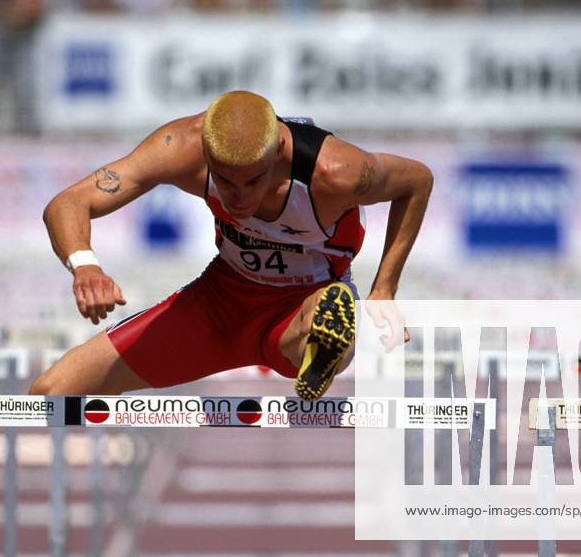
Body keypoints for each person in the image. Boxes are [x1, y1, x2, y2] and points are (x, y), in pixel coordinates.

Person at [31, 90, 432, 399]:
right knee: (50, 393)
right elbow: (69, 202)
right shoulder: (183, 146)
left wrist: (384, 290)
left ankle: (331, 344)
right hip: (217, 303)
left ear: (277, 151)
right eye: (224, 181)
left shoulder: (336, 172)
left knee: (326, 322)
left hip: (299, 305)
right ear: (206, 154)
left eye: (253, 181)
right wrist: (84, 264)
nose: (238, 198)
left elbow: (416, 181)